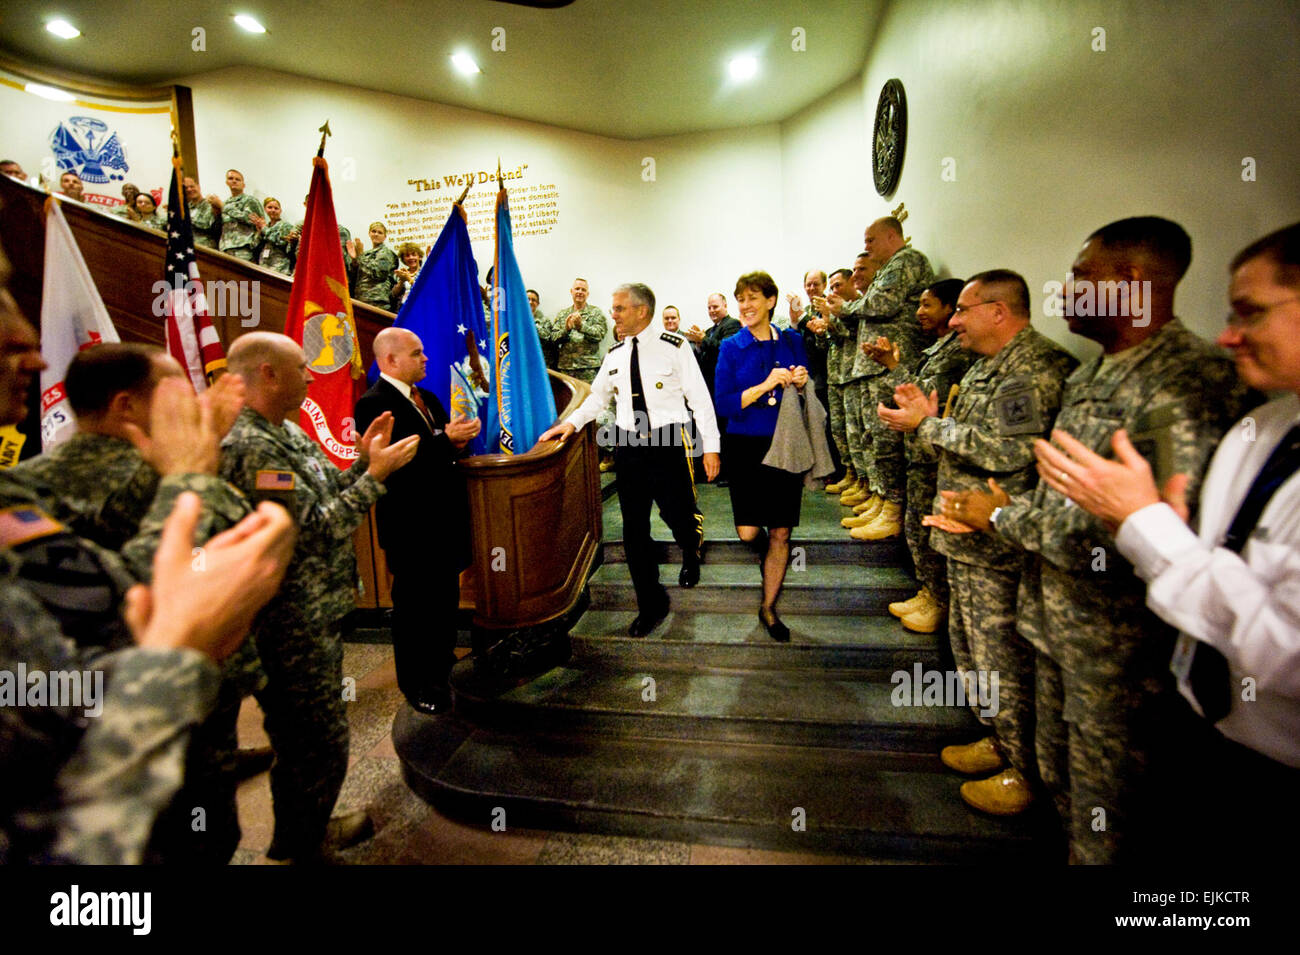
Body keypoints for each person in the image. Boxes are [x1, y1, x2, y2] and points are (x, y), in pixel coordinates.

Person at [0, 246, 297, 863]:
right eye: (7, 350)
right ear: (126, 406)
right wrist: (192, 477)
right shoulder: (113, 476)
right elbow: (128, 613)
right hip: (116, 776)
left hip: (164, 721)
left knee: (210, 830)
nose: (35, 360)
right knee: (201, 838)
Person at [1026, 222, 1299, 863]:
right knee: (1072, 802)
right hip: (1090, 635)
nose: (1065, 291)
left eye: (1082, 276)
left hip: (1128, 654)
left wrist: (1001, 518)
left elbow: (1135, 528)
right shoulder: (1269, 420)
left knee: (1116, 833)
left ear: (1128, 283)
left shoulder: (1193, 381)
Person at [881, 269, 1077, 817]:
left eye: (964, 311)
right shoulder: (987, 367)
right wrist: (927, 421)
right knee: (974, 655)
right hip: (964, 540)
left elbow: (1008, 452)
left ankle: (1022, 770)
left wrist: (929, 424)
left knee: (1002, 661)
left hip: (998, 545)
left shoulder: (1033, 369)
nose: (955, 321)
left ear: (999, 311)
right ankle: (999, 739)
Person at [220, 332, 420, 861]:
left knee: (311, 740)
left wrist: (362, 463)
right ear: (267, 373)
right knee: (314, 741)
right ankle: (304, 846)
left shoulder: (283, 431)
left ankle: (303, 830)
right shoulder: (248, 446)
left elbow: (325, 492)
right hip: (285, 620)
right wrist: (376, 478)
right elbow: (315, 528)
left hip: (314, 611)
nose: (312, 376)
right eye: (302, 368)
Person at [540, 283, 720, 637]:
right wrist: (569, 425)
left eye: (619, 308)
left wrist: (710, 447)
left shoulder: (675, 347)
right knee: (633, 527)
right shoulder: (616, 354)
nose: (613, 314)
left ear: (641, 311)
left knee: (677, 514)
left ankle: (690, 548)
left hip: (668, 444)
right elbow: (595, 400)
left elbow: (699, 399)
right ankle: (650, 602)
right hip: (628, 446)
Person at [354, 328, 480, 713]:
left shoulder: (426, 397)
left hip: (442, 521)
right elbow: (396, 464)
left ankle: (441, 667)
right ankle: (417, 684)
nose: (426, 358)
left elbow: (443, 449)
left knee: (443, 603)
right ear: (390, 360)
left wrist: (460, 439)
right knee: (413, 610)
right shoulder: (374, 403)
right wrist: (447, 440)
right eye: (417, 353)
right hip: (411, 526)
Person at [714, 271, 811, 642]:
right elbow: (724, 403)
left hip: (785, 441)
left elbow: (807, 387)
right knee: (748, 531)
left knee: (781, 530)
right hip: (745, 446)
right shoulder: (730, 346)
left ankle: (768, 606)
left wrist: (801, 380)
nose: (745, 305)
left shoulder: (792, 340)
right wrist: (764, 386)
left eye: (753, 297)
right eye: (740, 299)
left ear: (770, 301)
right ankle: (766, 551)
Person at [881, 278, 976, 632]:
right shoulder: (938, 348)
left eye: (927, 304)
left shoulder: (958, 354)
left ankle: (937, 597)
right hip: (924, 451)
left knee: (927, 530)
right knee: (918, 529)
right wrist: (894, 367)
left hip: (937, 455)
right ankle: (929, 591)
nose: (919, 312)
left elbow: (938, 411)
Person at [840, 218, 935, 538]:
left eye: (871, 240)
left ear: (892, 236)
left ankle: (892, 508)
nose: (866, 246)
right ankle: (882, 499)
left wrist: (846, 307)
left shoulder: (906, 261)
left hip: (895, 363)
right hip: (878, 365)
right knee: (874, 438)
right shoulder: (890, 267)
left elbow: (882, 302)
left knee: (887, 440)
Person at [823, 254, 878, 508]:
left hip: (856, 375)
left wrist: (832, 319)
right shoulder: (842, 310)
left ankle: (869, 484)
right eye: (831, 287)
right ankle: (853, 475)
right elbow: (832, 343)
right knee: (842, 430)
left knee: (860, 433)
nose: (834, 290)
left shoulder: (861, 307)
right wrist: (823, 325)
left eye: (837, 285)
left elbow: (854, 335)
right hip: (838, 375)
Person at [539, 278, 608, 383]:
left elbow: (600, 335)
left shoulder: (596, 312)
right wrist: (566, 329)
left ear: (587, 294)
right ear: (571, 292)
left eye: (583, 290)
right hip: (566, 368)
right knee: (568, 399)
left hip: (588, 369)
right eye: (577, 289)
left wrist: (581, 327)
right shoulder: (563, 314)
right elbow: (553, 339)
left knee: (588, 399)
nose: (580, 292)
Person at [218, 168, 265, 261]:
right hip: (225, 248)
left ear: (243, 185)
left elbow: (252, 220)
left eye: (237, 179)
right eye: (231, 178)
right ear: (227, 182)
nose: (234, 181)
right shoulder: (226, 202)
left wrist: (224, 207)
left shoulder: (250, 201)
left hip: (244, 249)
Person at [351, 221, 399, 310]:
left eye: (380, 232)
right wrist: (354, 261)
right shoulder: (366, 254)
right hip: (361, 300)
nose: (376, 234)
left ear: (384, 237)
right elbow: (356, 277)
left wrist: (360, 255)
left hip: (377, 302)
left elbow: (379, 273)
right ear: (369, 233)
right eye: (373, 231)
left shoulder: (386, 253)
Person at [257, 197, 297, 275]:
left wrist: (264, 229)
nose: (273, 210)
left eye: (276, 208)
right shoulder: (265, 225)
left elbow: (281, 242)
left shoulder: (285, 225)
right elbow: (256, 245)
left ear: (280, 211)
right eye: (270, 207)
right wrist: (259, 233)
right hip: (263, 265)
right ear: (265, 209)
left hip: (279, 267)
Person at [183, 175, 222, 248]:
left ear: (198, 187)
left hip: (205, 248)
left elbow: (206, 224)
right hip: (189, 248)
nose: (189, 189)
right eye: (186, 188)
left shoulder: (209, 204)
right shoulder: (185, 209)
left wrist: (187, 219)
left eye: (192, 186)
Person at [389, 242, 423, 308]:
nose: (411, 258)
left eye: (413, 254)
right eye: (407, 255)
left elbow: (423, 291)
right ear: (403, 259)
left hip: (420, 308)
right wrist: (401, 281)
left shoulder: (425, 273)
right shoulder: (401, 273)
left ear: (420, 257)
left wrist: (408, 278)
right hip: (402, 310)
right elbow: (393, 295)